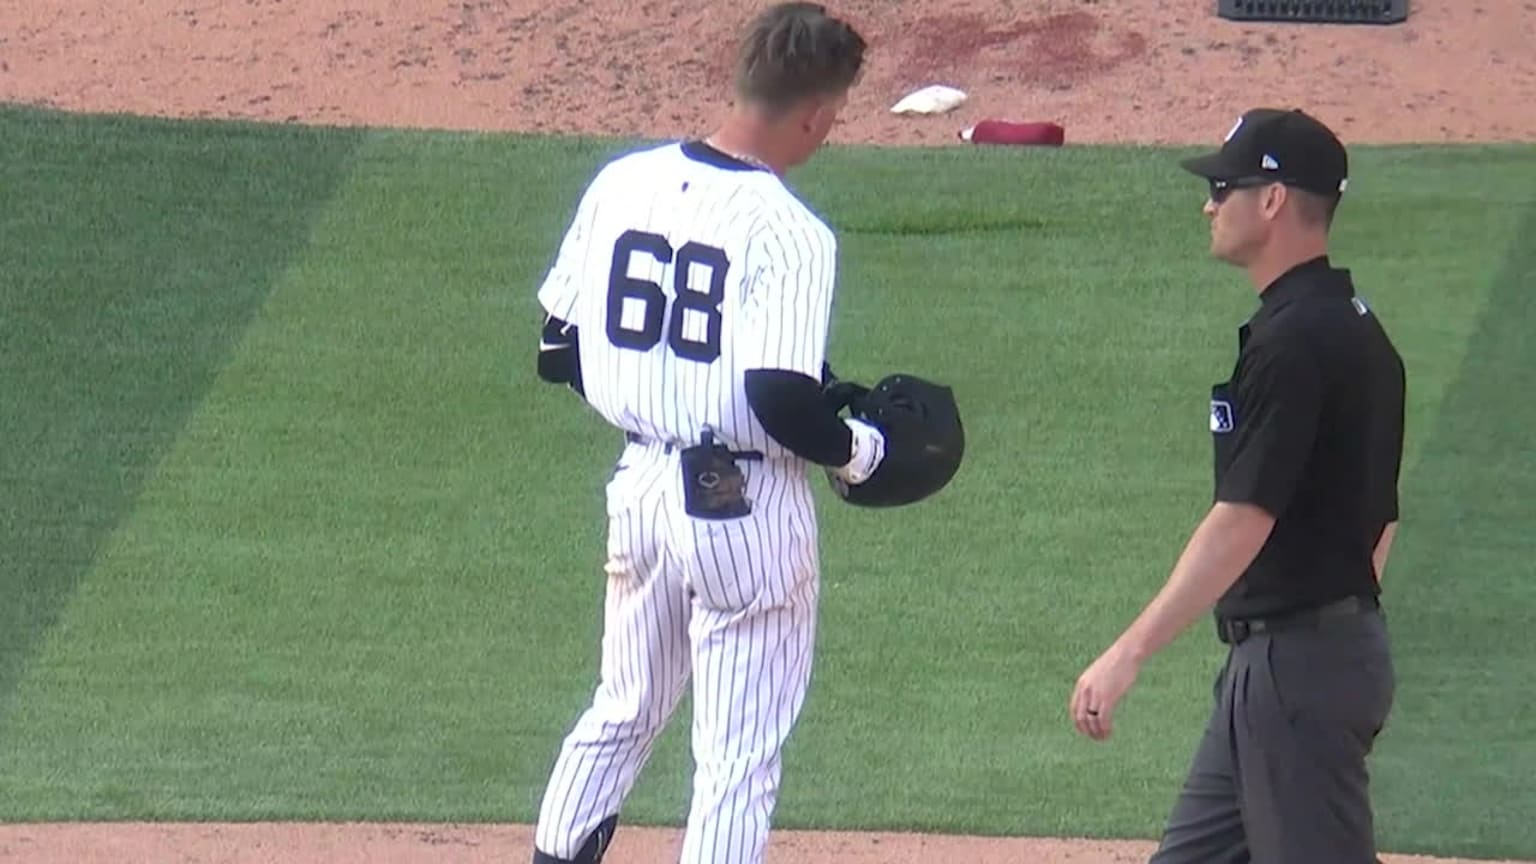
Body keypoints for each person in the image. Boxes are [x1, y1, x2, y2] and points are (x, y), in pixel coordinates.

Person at [526, 5, 883, 863]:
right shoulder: (792, 232)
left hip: (641, 492)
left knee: (624, 707)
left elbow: (556, 349)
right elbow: (779, 400)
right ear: (815, 114)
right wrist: (861, 452)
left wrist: (660, 390)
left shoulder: (621, 183)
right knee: (736, 758)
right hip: (746, 512)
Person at [1068, 107, 1407, 863]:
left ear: (1275, 199)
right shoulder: (1359, 330)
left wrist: (1129, 653)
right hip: (1295, 660)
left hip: (1298, 667)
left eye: (1225, 187)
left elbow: (1242, 518)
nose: (1209, 205)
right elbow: (1382, 520)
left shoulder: (1294, 342)